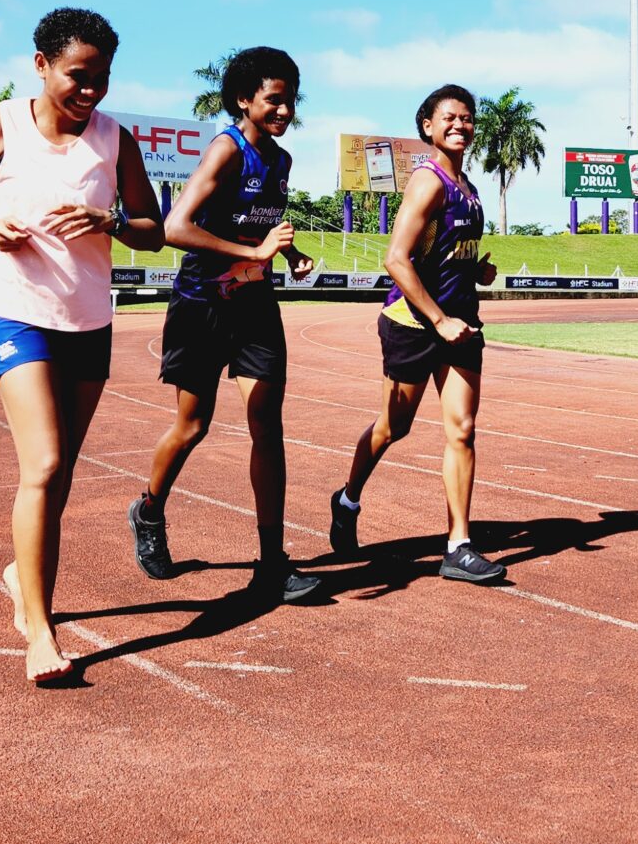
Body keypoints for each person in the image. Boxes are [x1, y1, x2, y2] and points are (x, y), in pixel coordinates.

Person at [0, 7, 164, 684]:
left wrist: (110, 219)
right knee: (44, 460)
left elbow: (153, 229)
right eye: (77, 76)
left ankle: (20, 572)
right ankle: (40, 628)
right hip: (14, 312)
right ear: (41, 65)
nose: (90, 90)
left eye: (102, 79)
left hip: (88, 319)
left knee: (57, 478)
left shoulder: (115, 140)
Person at [129, 47, 322, 602]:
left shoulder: (280, 162)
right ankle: (148, 509)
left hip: (256, 308)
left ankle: (272, 563)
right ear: (244, 99)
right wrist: (256, 248)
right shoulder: (225, 149)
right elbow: (175, 226)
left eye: (291, 100)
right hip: (201, 305)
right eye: (274, 99)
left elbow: (258, 229)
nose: (285, 110)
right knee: (193, 426)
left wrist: (289, 255)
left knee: (267, 424)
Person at [330, 84, 503, 583]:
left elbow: (444, 253)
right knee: (393, 428)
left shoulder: (467, 185)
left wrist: (475, 273)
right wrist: (439, 320)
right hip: (414, 324)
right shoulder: (428, 183)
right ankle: (347, 498)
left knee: (462, 430)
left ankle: (458, 545)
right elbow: (395, 259)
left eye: (467, 118)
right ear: (427, 125)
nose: (460, 125)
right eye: (449, 117)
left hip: (462, 323)